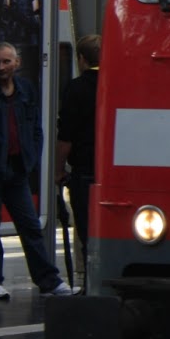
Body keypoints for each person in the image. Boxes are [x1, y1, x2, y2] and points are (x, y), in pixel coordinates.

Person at [0, 41, 75, 300]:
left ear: (17, 63)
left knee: (29, 226)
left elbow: (35, 128)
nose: (1, 67)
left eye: (6, 61)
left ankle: (48, 281)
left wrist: (31, 157)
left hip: (17, 169)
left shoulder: (26, 89)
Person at [56, 34, 99, 265]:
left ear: (82, 59)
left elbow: (66, 136)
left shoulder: (76, 88)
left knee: (86, 228)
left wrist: (58, 170)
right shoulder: (119, 83)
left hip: (84, 169)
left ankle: (90, 282)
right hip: (112, 170)